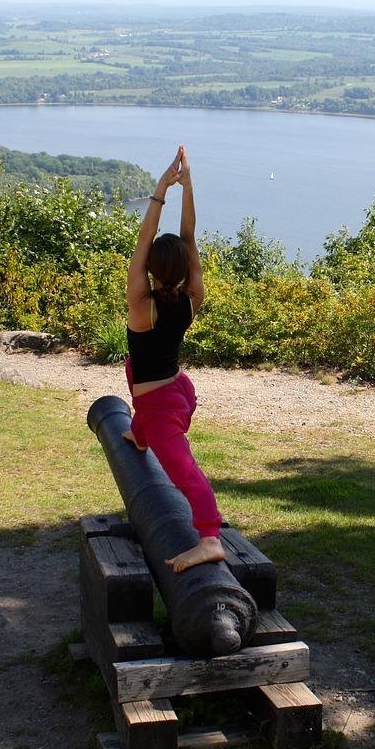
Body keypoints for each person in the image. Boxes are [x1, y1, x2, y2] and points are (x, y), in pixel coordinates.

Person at [122, 145, 226, 573]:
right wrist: (189, 186)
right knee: (138, 384)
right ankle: (139, 433)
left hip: (163, 405)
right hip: (178, 390)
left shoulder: (141, 305)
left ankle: (210, 538)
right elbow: (189, 238)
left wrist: (161, 189)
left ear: (150, 268)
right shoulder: (191, 298)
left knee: (185, 473)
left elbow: (146, 239)